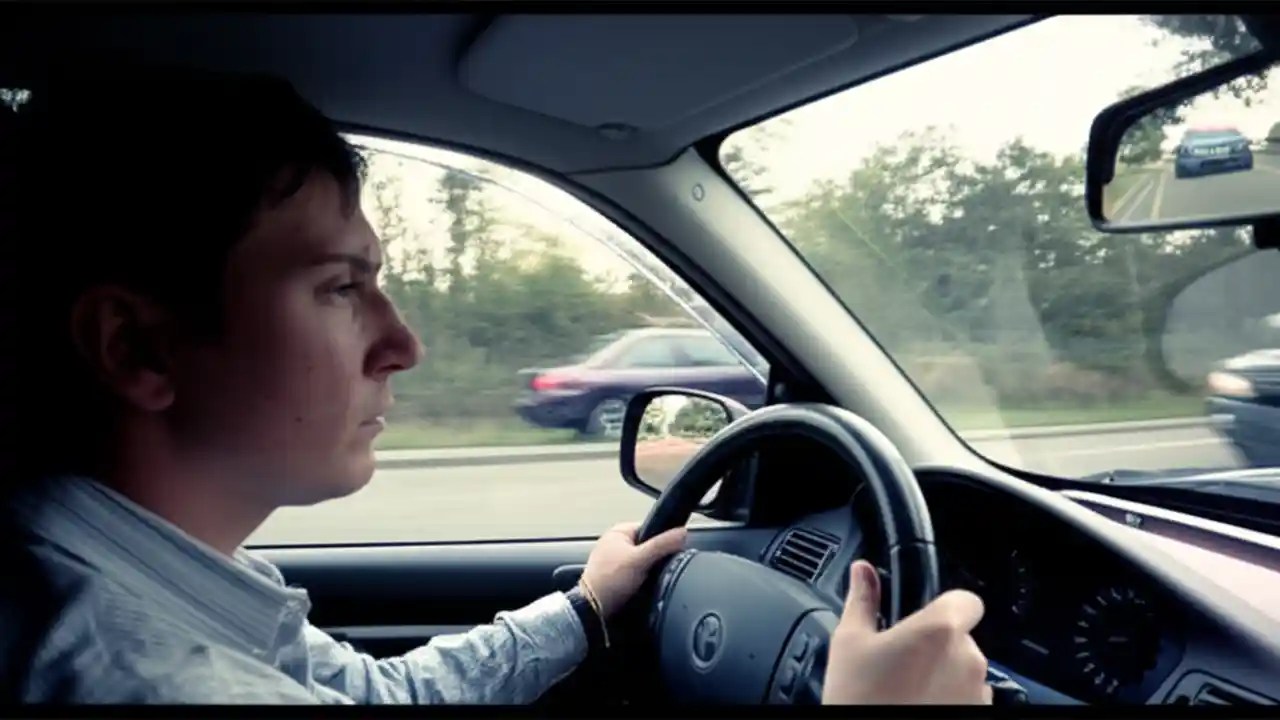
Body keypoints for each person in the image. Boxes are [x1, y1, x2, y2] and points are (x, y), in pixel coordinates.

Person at [0, 62, 991, 704]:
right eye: (340, 288)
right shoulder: (154, 678)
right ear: (138, 349)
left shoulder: (142, 579)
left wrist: (587, 608)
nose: (403, 344)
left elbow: (377, 698)